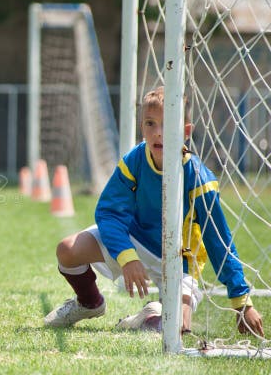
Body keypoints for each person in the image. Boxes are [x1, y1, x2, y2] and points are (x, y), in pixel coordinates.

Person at [43, 87, 264, 338]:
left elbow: (220, 242)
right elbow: (108, 213)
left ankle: (149, 315)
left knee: (174, 328)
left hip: (179, 258)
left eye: (167, 124)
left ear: (186, 131)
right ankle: (89, 303)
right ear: (142, 127)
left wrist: (242, 303)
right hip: (135, 241)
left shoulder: (199, 178)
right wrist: (127, 256)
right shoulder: (134, 160)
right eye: (150, 123)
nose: (158, 132)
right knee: (68, 250)